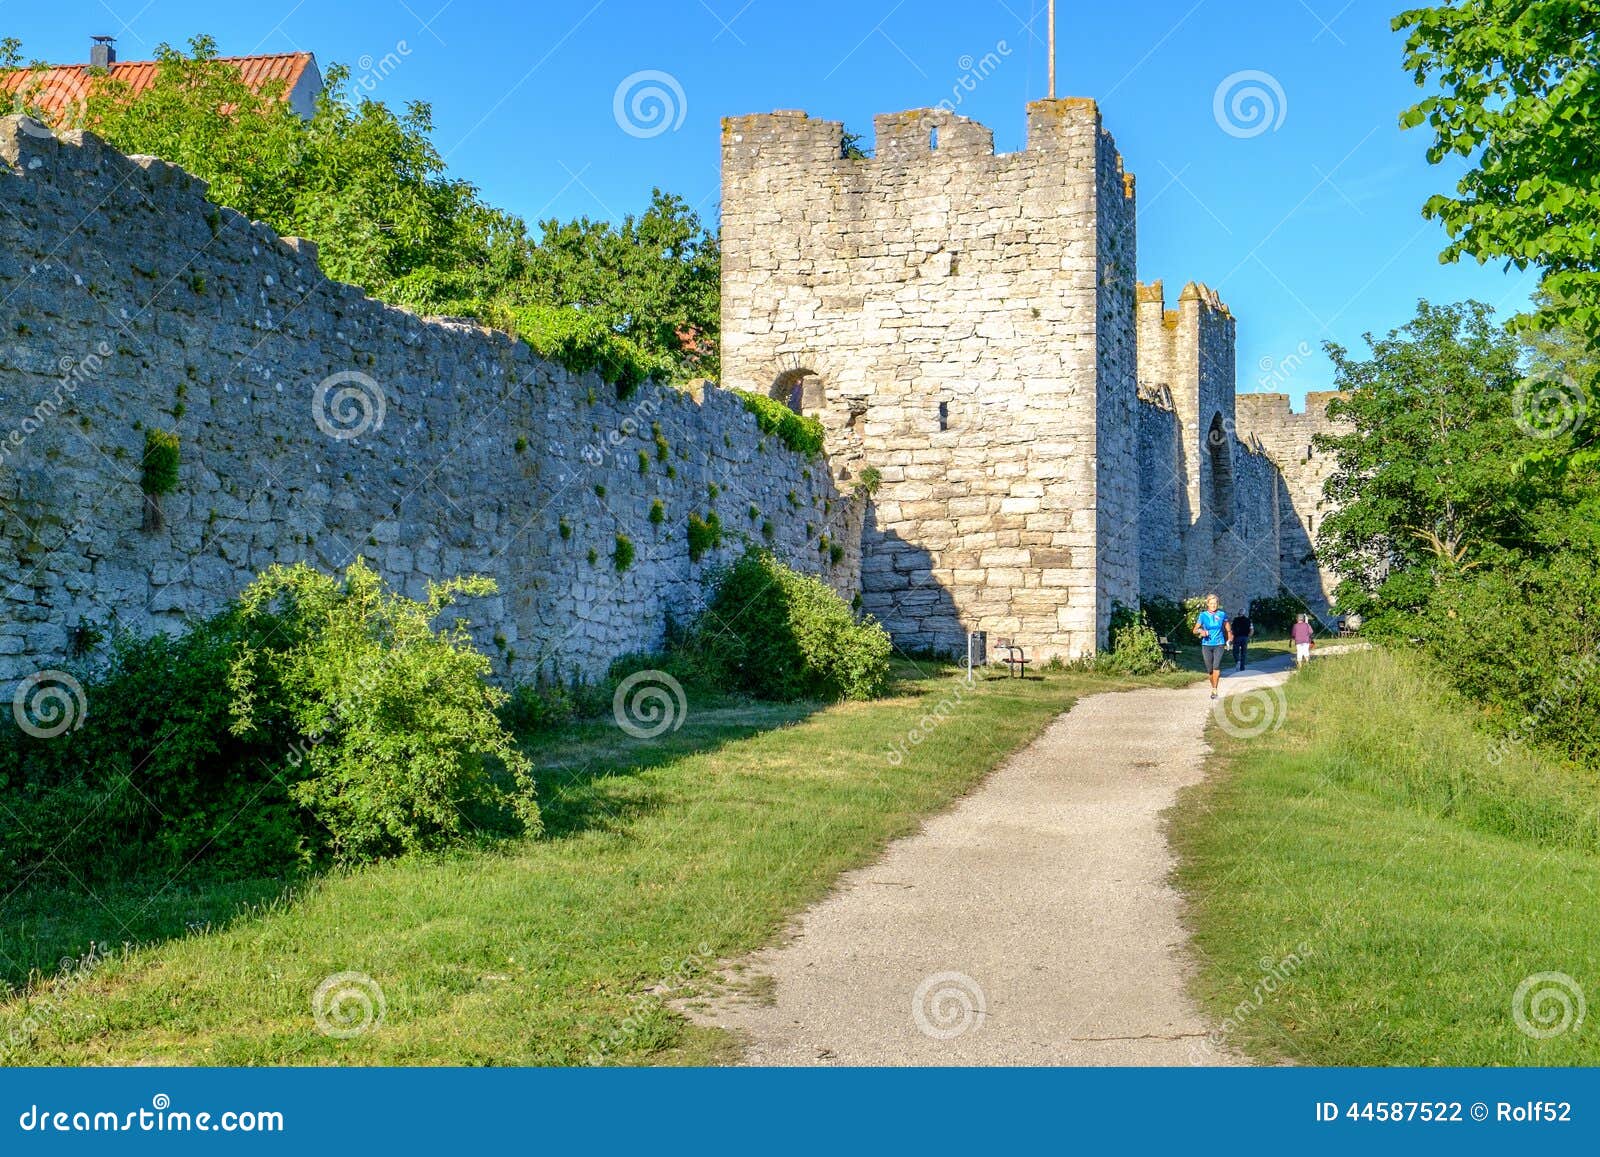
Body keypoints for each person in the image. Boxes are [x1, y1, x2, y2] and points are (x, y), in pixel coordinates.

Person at [1193, 594, 1231, 700]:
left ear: (1218, 604)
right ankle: (1213, 686)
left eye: (1215, 603)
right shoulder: (1203, 615)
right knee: (1210, 670)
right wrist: (1201, 631)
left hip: (1219, 643)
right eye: (1211, 603)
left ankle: (1215, 689)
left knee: (1216, 666)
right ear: (1208, 604)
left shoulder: (1222, 614)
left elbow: (1228, 628)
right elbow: (1194, 630)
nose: (1213, 605)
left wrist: (1229, 638)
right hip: (1206, 645)